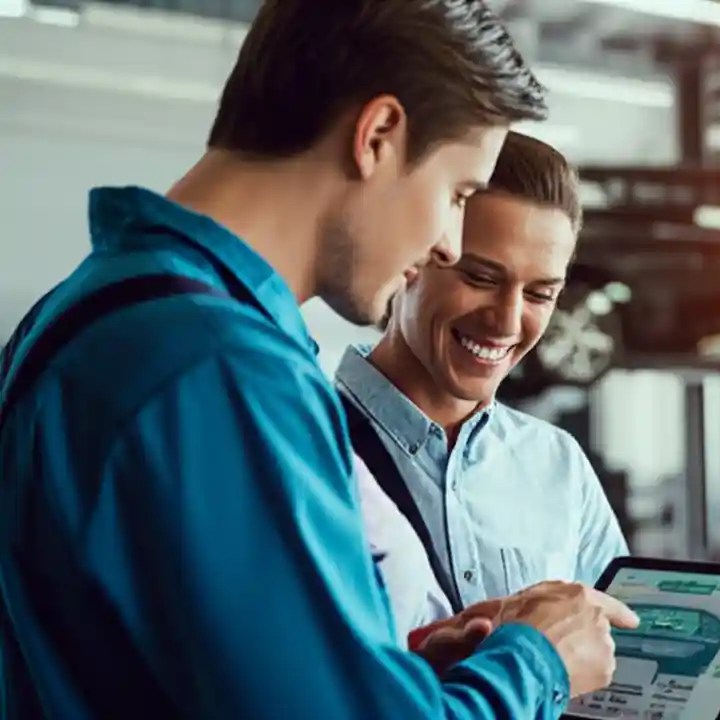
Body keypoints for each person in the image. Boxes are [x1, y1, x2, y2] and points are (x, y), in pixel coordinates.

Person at [0, 1, 637, 717]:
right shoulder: (222, 371)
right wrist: (535, 662)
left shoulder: (94, 310)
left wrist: (402, 671)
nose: (448, 246)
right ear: (379, 136)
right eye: (456, 194)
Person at [341, 132, 628, 643]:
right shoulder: (302, 439)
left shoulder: (558, 466)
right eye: (480, 278)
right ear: (413, 260)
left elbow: (615, 666)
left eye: (541, 293)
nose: (507, 321)